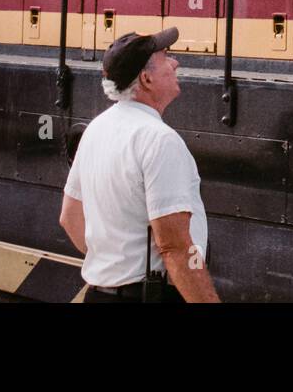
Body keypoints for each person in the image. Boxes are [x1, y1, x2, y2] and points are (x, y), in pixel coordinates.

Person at [58, 27, 221, 303]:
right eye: (166, 57)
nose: (175, 63)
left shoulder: (96, 129)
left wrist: (117, 266)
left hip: (100, 295)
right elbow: (176, 248)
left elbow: (69, 217)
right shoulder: (159, 141)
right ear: (146, 78)